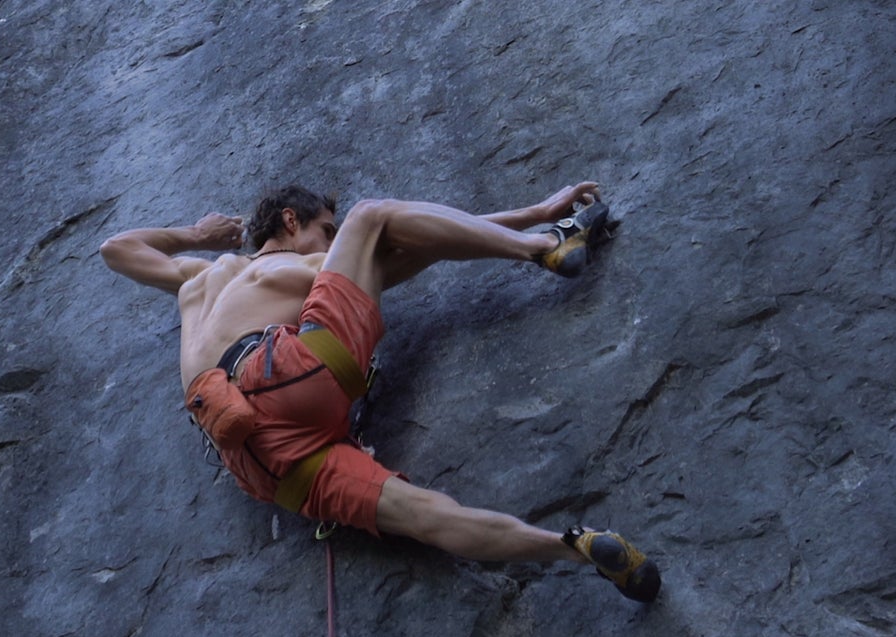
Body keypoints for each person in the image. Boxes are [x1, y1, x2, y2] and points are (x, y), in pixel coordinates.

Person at [100, 182, 659, 602]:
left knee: (424, 516)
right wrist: (537, 214)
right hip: (285, 376)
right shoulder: (300, 267)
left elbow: (117, 248)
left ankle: (576, 545)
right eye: (325, 228)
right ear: (291, 222)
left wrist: (199, 235)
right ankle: (544, 246)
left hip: (257, 461)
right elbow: (416, 236)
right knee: (372, 214)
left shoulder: (198, 280)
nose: (332, 240)